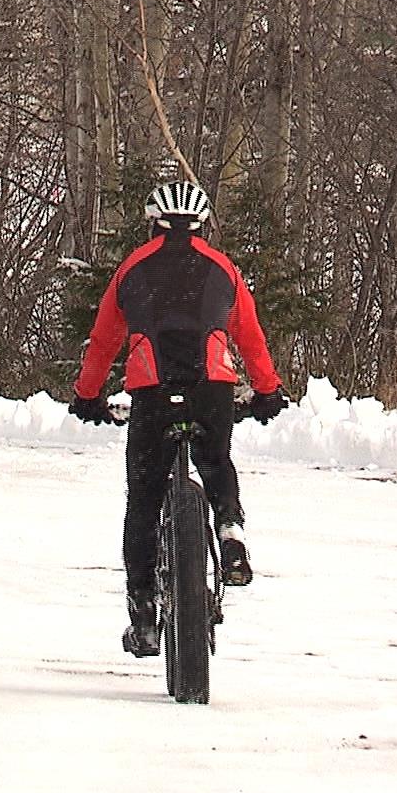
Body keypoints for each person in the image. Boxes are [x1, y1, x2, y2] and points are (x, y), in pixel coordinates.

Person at [67, 180, 289, 657]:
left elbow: (104, 341)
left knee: (144, 500)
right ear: (202, 225)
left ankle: (144, 613)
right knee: (216, 461)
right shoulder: (223, 269)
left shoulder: (131, 269)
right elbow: (250, 336)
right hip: (212, 388)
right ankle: (230, 534)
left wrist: (88, 397)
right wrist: (268, 391)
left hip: (153, 389)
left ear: (153, 224)